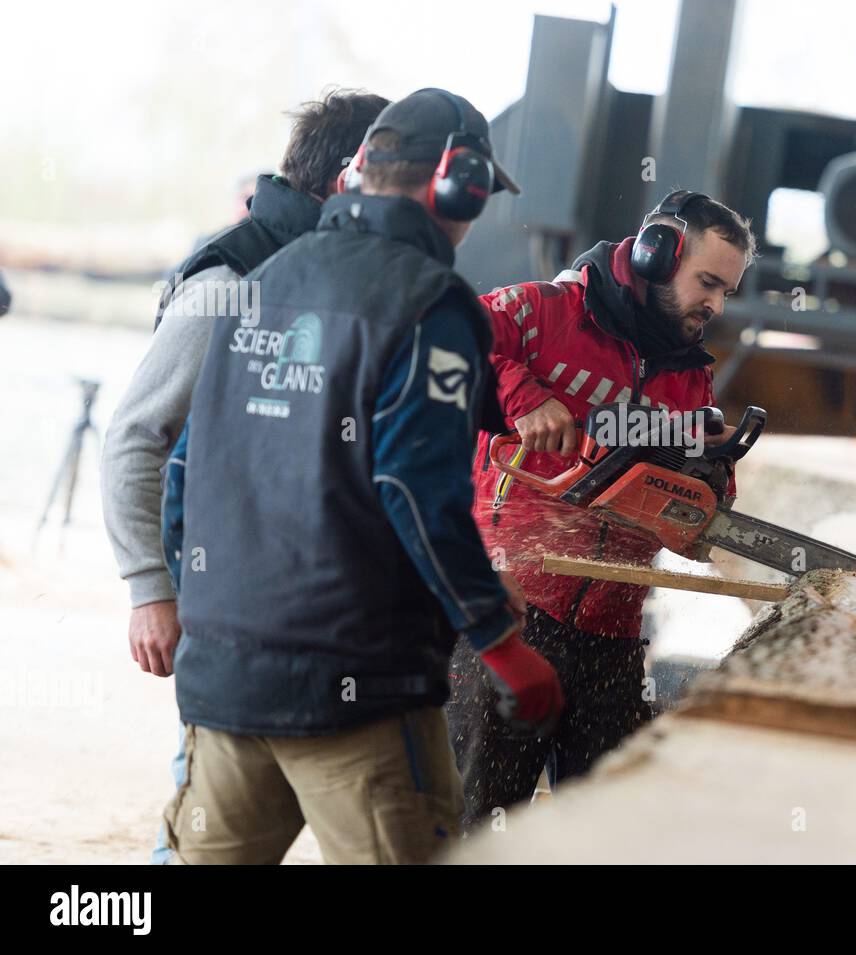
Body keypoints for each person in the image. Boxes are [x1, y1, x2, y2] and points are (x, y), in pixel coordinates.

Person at [158, 88, 563, 864]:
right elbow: (416, 487)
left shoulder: (265, 279)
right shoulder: (430, 304)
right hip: (359, 697)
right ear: (460, 181)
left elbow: (186, 470)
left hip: (225, 686)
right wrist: (497, 636)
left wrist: (208, 615)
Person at [100, 88, 388, 864]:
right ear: (350, 180)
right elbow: (134, 436)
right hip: (227, 619)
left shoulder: (335, 274)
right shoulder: (234, 281)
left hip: (300, 622)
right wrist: (148, 588)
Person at [450, 190, 756, 824]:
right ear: (656, 253)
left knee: (608, 830)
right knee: (472, 828)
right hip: (510, 617)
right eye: (707, 283)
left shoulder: (689, 377)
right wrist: (521, 393)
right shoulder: (544, 311)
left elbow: (692, 528)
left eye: (726, 291)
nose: (715, 305)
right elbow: (445, 335)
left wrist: (707, 487)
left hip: (614, 636)